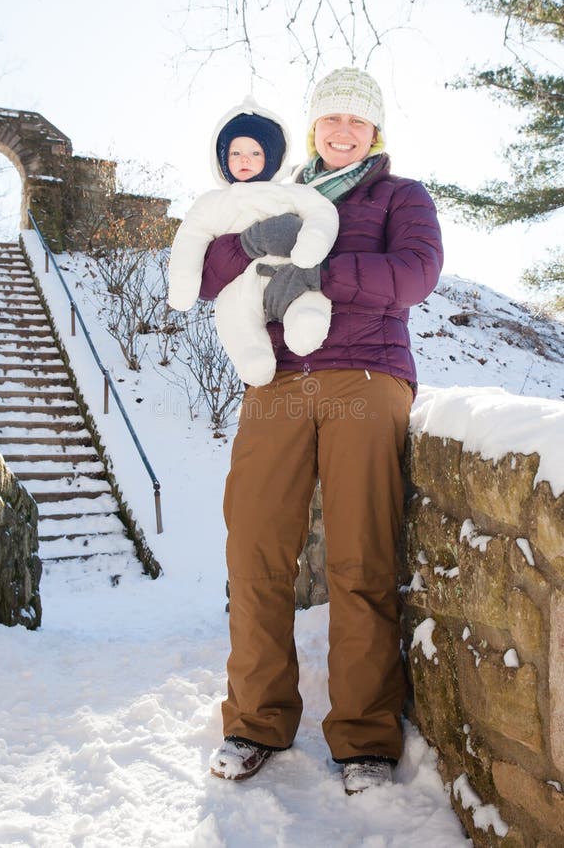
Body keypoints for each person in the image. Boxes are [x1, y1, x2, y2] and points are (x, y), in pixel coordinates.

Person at [200, 68, 444, 794]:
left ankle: (365, 736)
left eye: (357, 122)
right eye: (331, 120)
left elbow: (416, 273)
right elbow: (215, 272)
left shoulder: (402, 197)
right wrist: (254, 243)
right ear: (313, 129)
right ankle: (254, 720)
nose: (343, 132)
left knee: (361, 555)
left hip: (364, 375)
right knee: (253, 551)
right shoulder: (278, 193)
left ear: (376, 133)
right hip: (275, 381)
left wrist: (316, 276)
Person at [167, 96, 339, 387]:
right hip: (240, 286)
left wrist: (312, 243)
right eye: (235, 153)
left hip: (290, 274)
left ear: (272, 158)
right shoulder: (213, 203)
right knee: (232, 315)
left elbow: (321, 212)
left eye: (255, 152)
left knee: (309, 297)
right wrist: (183, 284)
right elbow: (191, 236)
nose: (244, 159)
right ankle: (252, 357)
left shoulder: (288, 193)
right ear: (222, 159)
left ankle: (305, 323)